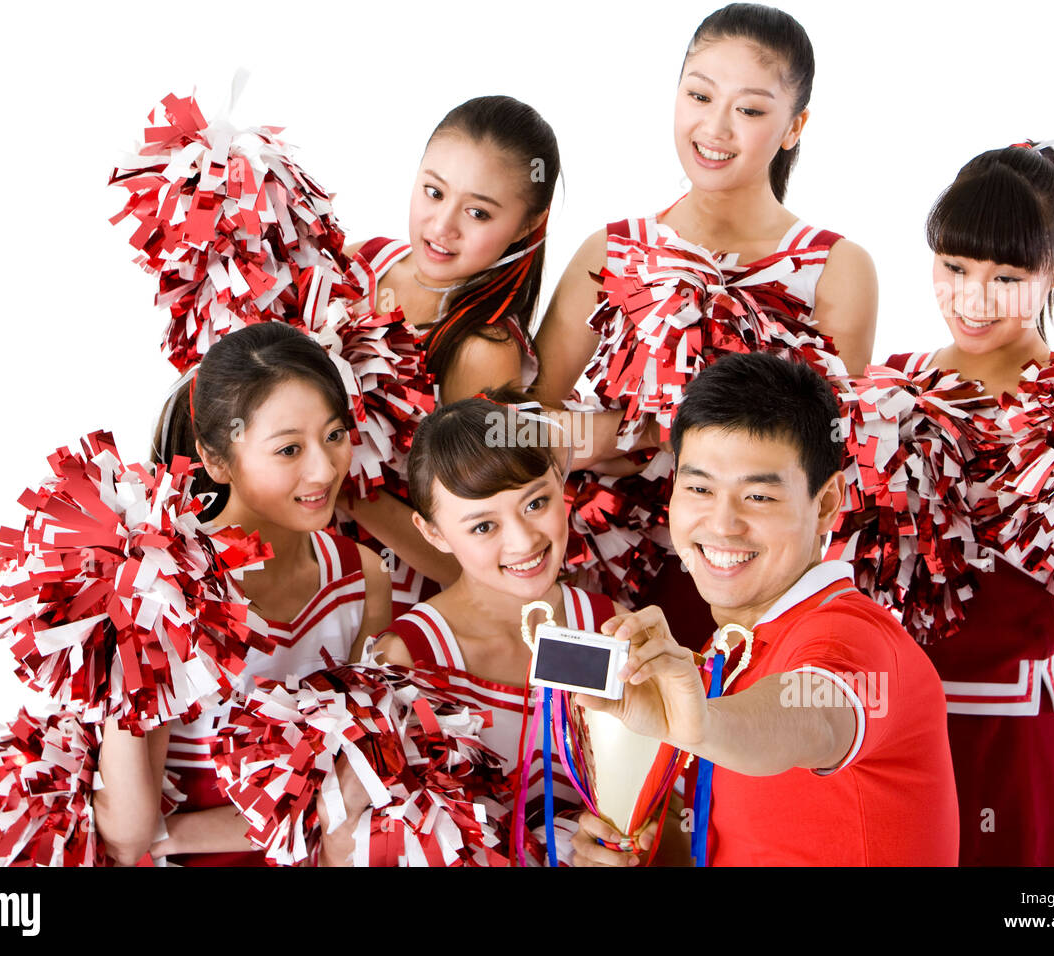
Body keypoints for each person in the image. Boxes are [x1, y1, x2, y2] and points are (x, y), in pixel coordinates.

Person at [530, 3, 877, 643]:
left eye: (749, 109)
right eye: (699, 95)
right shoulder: (610, 250)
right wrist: (603, 436)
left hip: (752, 583)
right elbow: (521, 428)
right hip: (602, 582)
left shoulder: (836, 267)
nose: (715, 127)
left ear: (795, 125)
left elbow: (831, 456)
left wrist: (661, 440)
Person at [873, 143, 1054, 865]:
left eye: (1005, 276)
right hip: (878, 735)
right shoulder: (885, 393)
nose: (971, 299)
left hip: (1012, 743)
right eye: (954, 267)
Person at [571, 351, 959, 866]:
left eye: (758, 497)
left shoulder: (856, 640)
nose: (722, 524)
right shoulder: (723, 652)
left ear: (824, 505)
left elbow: (809, 716)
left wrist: (701, 722)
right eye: (699, 488)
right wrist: (654, 855)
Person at [93, 322, 391, 866]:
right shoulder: (165, 593)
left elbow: (355, 791)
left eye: (335, 434)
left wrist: (185, 831)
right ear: (216, 459)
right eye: (288, 449)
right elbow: (128, 834)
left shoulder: (362, 578)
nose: (323, 469)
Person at [347, 396, 631, 866]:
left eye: (536, 502)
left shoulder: (608, 626)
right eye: (483, 526)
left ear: (561, 484)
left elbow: (669, 802)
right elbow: (364, 846)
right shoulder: (408, 662)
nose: (523, 540)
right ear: (433, 532)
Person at [338, 95, 562, 616]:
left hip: (392, 594)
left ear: (529, 225)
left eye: (478, 211)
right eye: (433, 191)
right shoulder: (356, 261)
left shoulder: (484, 350)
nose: (442, 226)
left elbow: (466, 559)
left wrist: (340, 488)